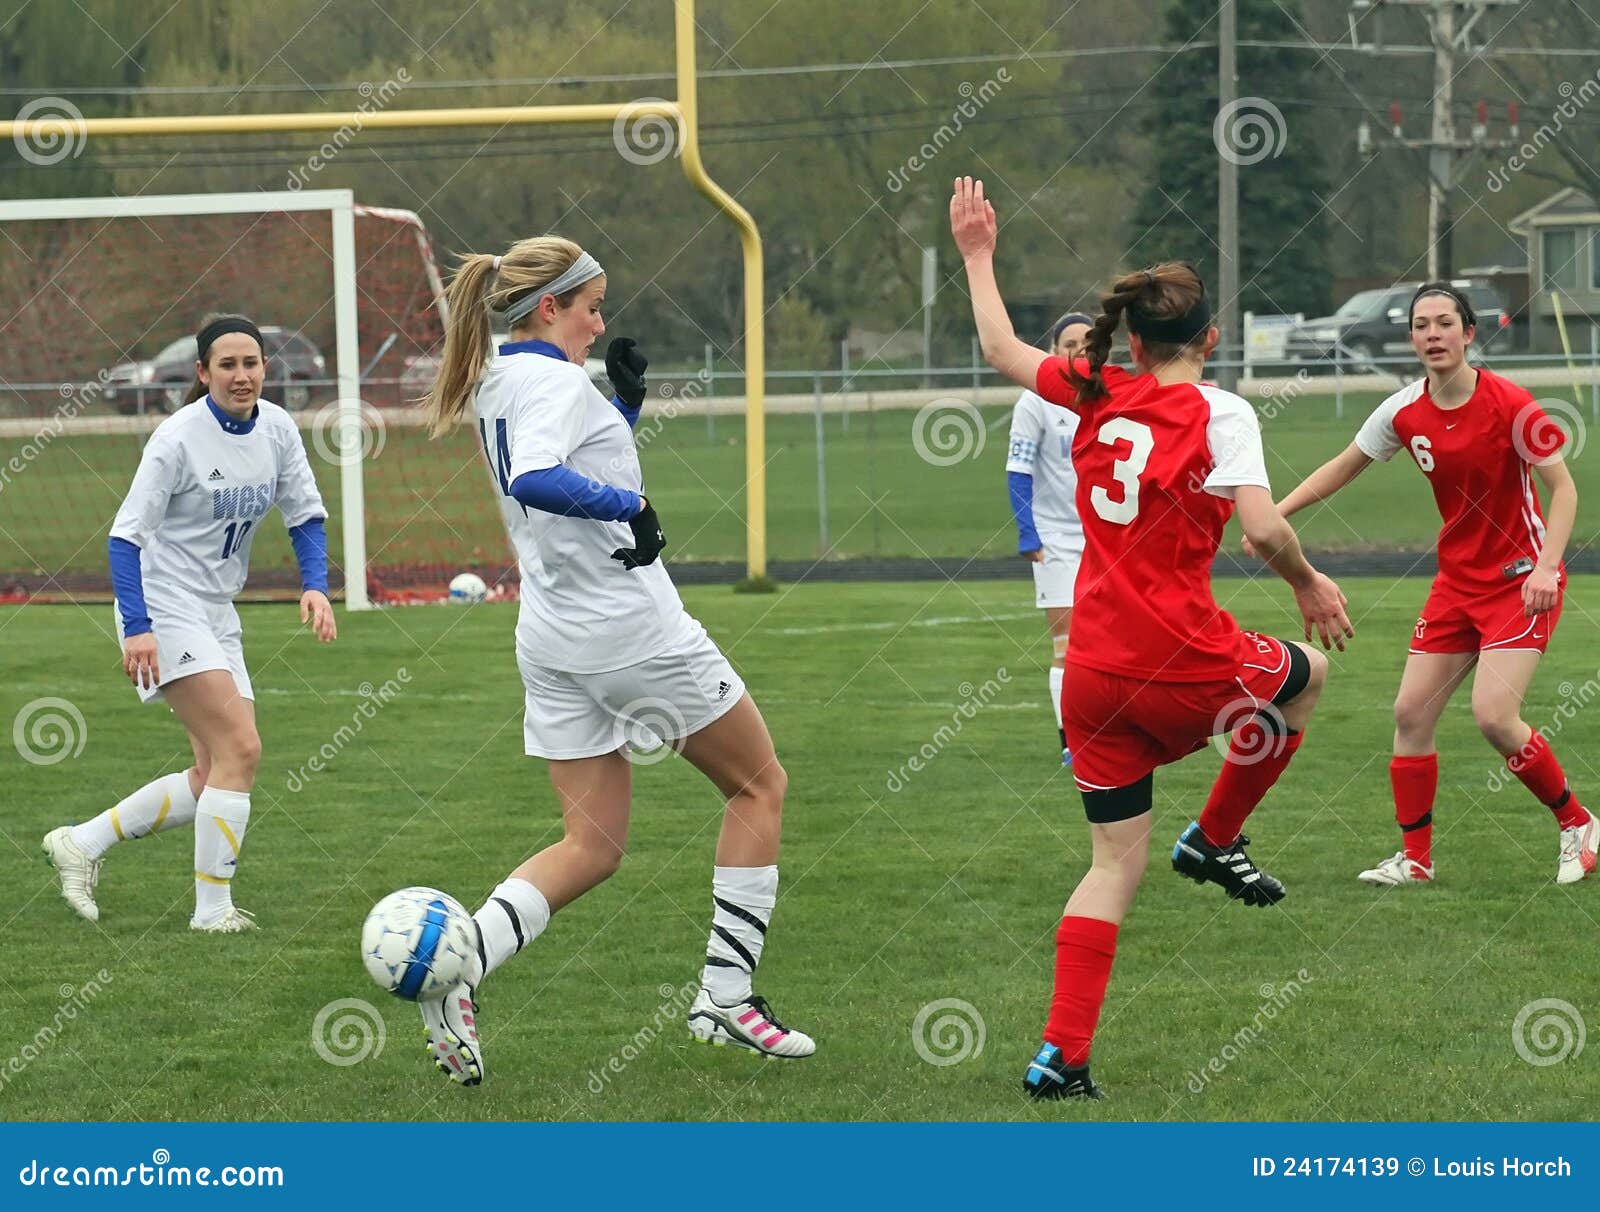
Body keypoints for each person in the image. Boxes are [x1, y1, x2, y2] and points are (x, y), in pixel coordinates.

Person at [950, 177, 1352, 1099]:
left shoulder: (1095, 392)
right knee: (1308, 676)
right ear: (1210, 340)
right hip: (1183, 658)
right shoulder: (1221, 411)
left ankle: (1061, 1055)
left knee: (1109, 864)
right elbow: (1262, 528)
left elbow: (1000, 347)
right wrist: (1307, 581)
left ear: (1132, 341)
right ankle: (1214, 837)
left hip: (1091, 671)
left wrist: (978, 251)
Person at [415, 235, 814, 1086]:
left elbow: (564, 470)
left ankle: (457, 968)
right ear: (548, 307)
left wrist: (623, 410)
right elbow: (538, 477)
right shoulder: (552, 381)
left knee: (591, 846)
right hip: (632, 631)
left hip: (554, 638)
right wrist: (630, 502)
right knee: (759, 786)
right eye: (592, 306)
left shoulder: (501, 377)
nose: (601, 323)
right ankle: (725, 996)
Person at [1260, 282, 1592, 887]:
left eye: (1445, 323)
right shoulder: (1401, 410)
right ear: (1411, 338)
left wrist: (1546, 566)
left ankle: (1578, 824)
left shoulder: (1512, 402)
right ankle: (1415, 861)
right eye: (1421, 325)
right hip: (1457, 584)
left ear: (1469, 334)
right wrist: (1275, 513)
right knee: (1411, 713)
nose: (1432, 334)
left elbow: (1564, 489)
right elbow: (1344, 466)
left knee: (1494, 716)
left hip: (1521, 581)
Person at [42, 314, 337, 932]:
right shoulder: (176, 439)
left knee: (214, 775)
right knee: (242, 748)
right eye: (226, 365)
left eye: (251, 363)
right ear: (202, 374)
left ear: (265, 369)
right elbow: (124, 539)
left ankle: (81, 843)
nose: (241, 375)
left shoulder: (279, 428)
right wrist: (139, 626)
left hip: (215, 609)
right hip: (162, 601)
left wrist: (315, 586)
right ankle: (212, 912)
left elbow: (306, 515)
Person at [1007, 312, 1093, 765]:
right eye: (1069, 344)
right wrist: (1029, 533)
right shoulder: (1035, 402)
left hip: (1104, 537)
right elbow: (1018, 470)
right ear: (1054, 350)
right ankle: (1069, 740)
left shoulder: (1107, 392)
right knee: (1067, 644)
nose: (1079, 351)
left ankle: (1109, 728)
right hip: (1056, 539)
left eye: (1086, 343)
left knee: (1108, 639)